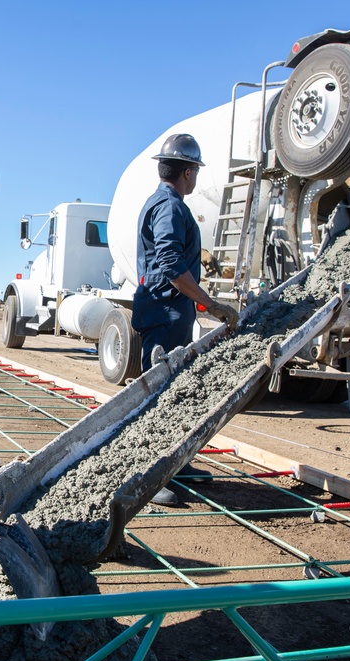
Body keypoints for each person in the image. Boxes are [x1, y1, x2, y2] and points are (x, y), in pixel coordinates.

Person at [131, 134, 239, 506]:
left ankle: (175, 465)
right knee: (157, 398)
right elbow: (171, 264)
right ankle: (145, 478)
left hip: (166, 309)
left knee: (172, 394)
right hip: (165, 311)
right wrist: (210, 303)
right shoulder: (171, 207)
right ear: (189, 172)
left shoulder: (161, 203)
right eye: (195, 172)